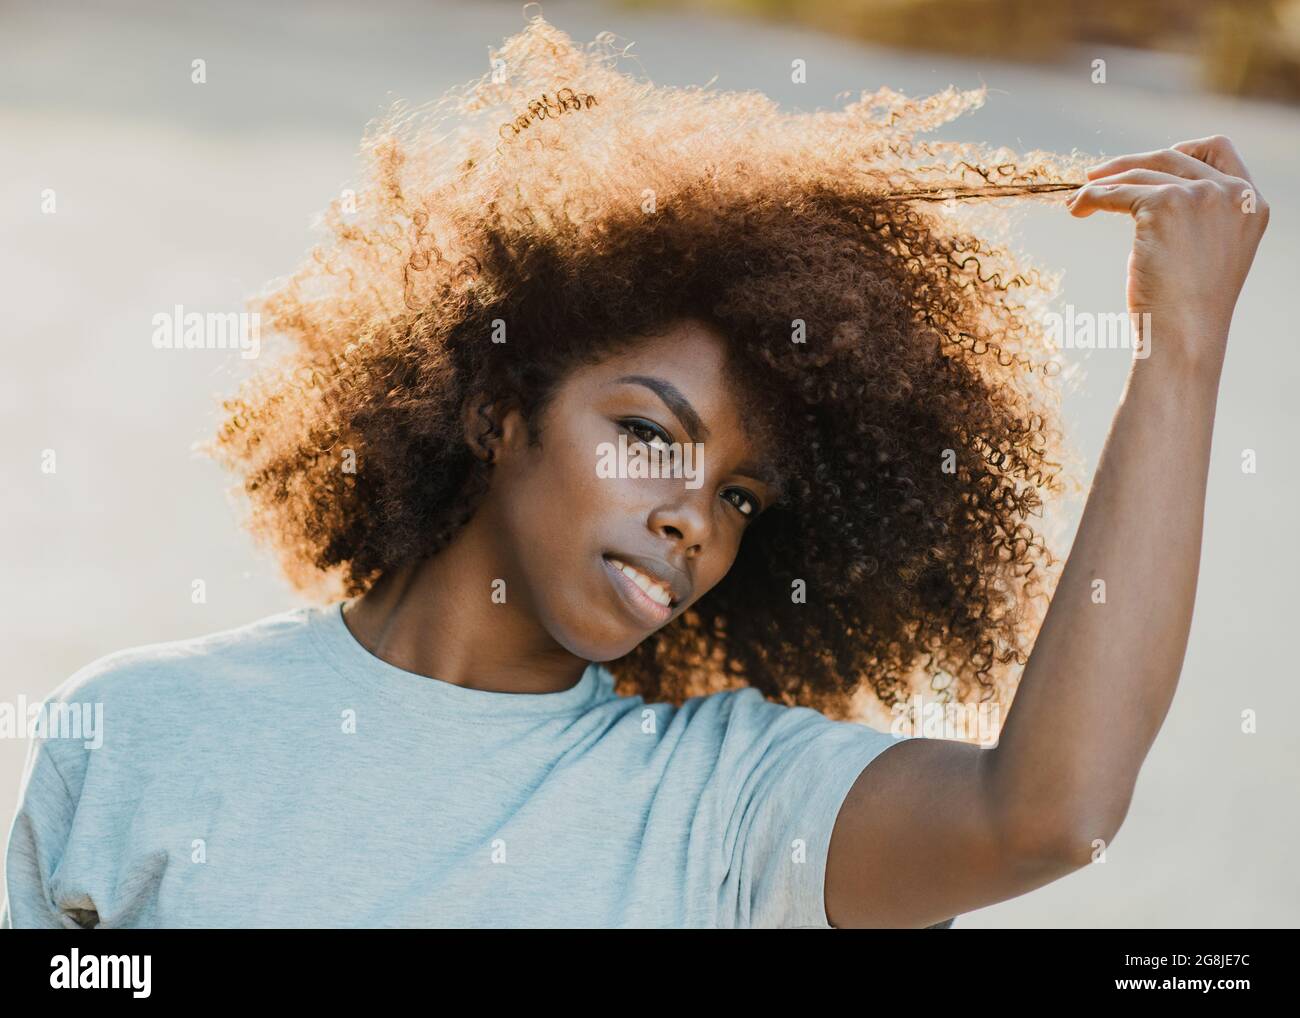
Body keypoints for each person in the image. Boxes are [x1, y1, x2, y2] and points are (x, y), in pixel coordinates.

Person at [1, 17, 1268, 929]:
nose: (691, 521)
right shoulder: (139, 733)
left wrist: (1183, 351)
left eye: (739, 496)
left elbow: (1047, 816)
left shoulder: (723, 808)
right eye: (652, 433)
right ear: (500, 406)